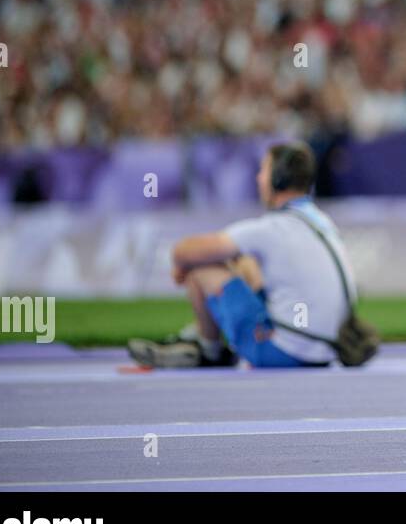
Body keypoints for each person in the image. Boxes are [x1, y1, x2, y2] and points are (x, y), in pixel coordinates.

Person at [128, 141, 355, 369]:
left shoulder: (273, 227)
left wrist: (181, 264)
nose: (259, 178)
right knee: (244, 263)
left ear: (279, 178)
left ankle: (208, 349)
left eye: (263, 170)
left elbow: (184, 251)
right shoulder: (322, 222)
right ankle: (202, 337)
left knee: (201, 267)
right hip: (327, 350)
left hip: (283, 353)